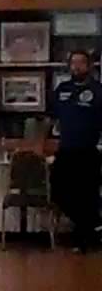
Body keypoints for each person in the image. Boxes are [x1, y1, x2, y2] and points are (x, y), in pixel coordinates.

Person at [50, 50, 102, 252]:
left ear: (89, 66)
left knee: (86, 195)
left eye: (81, 63)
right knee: (59, 191)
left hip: (88, 151)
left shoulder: (97, 90)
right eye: (74, 63)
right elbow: (51, 117)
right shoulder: (63, 89)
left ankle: (84, 239)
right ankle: (94, 224)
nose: (77, 67)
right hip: (66, 149)